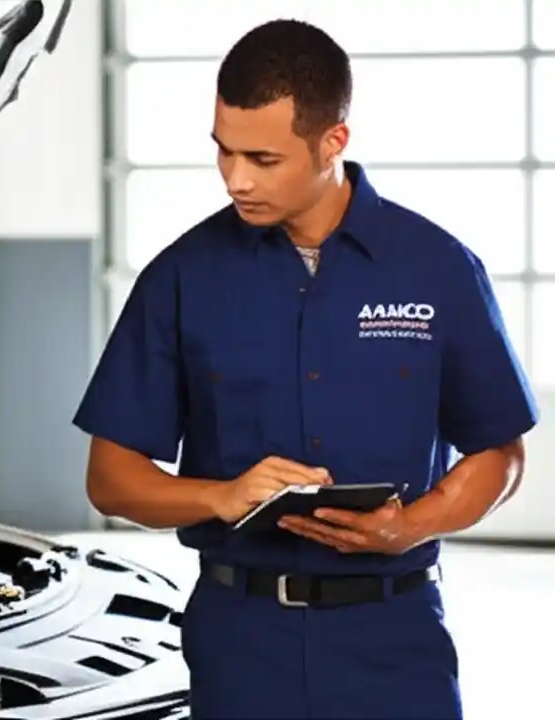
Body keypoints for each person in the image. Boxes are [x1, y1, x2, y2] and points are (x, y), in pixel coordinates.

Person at [72, 18, 537, 720]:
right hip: (238, 640)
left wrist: (412, 525)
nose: (236, 179)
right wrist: (221, 496)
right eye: (224, 153)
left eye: (263, 159)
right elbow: (110, 479)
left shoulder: (439, 269)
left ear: (333, 142)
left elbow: (500, 454)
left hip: (396, 640)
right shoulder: (181, 278)